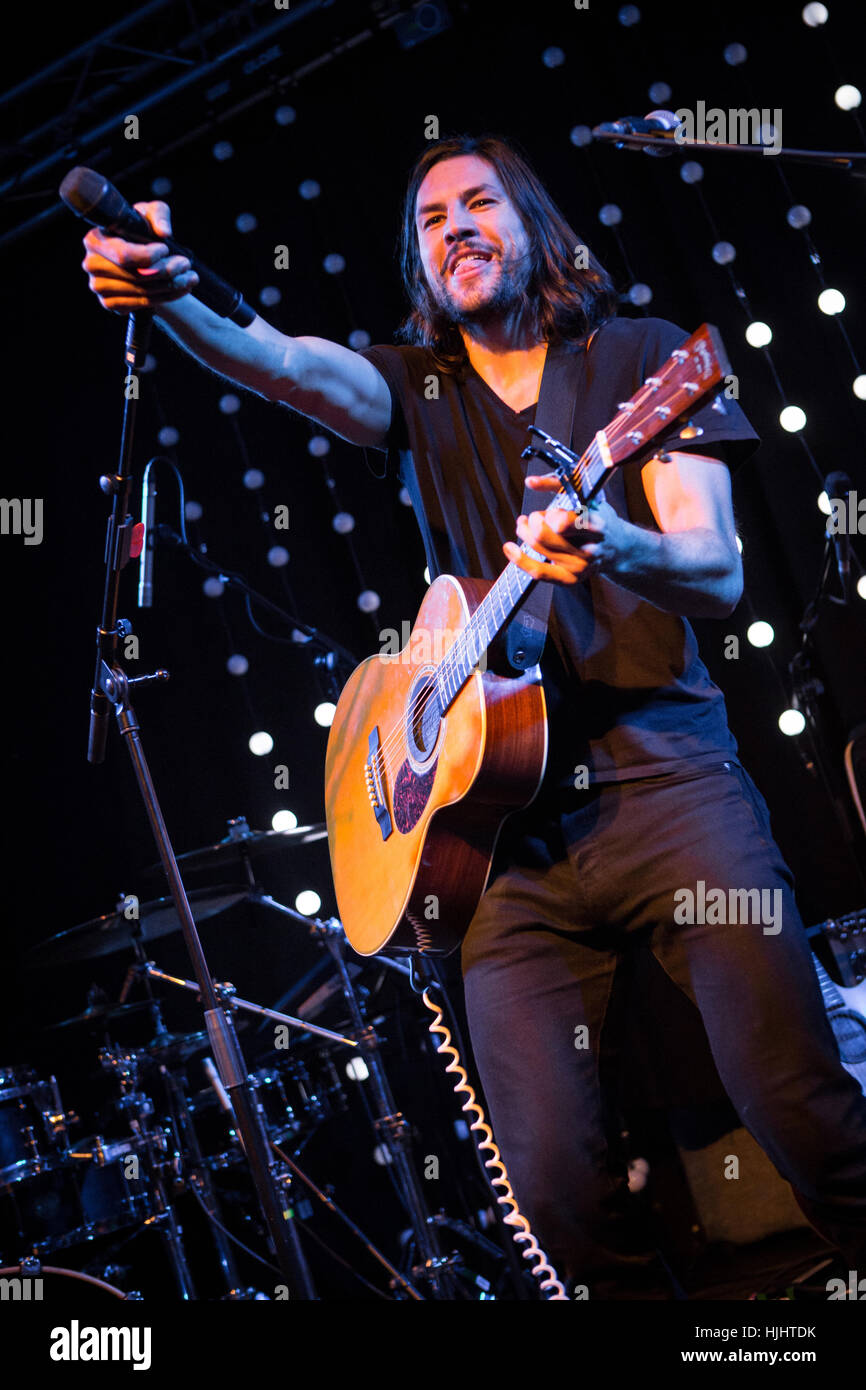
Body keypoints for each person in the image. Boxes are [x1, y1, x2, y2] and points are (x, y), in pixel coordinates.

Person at [82, 133, 866, 1298]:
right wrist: (176, 291)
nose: (452, 226)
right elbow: (283, 365)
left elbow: (712, 570)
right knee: (551, 1191)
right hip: (502, 849)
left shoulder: (646, 360)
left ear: (531, 223)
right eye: (430, 216)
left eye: (477, 202)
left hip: (667, 784)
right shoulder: (415, 386)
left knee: (795, 1105)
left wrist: (614, 541)